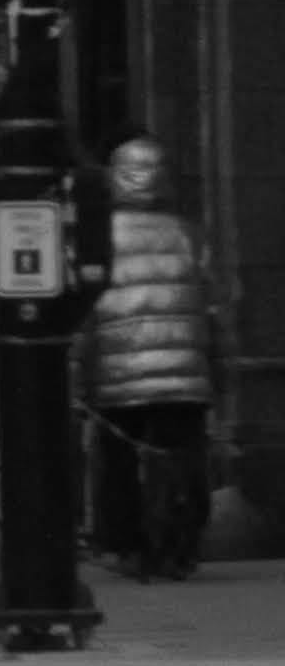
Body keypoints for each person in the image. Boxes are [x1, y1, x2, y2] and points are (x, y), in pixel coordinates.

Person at [80, 132, 217, 582]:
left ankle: (124, 543)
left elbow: (85, 308)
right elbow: (213, 303)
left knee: (117, 461)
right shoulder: (188, 233)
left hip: (118, 376)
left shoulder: (96, 236)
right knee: (182, 455)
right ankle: (180, 544)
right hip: (185, 378)